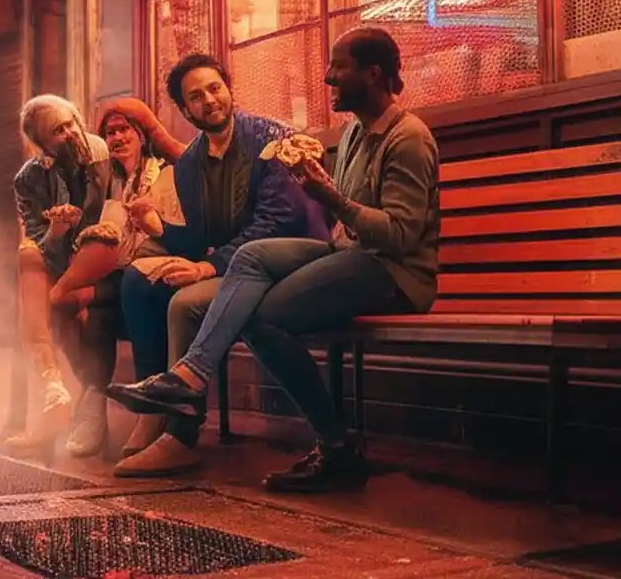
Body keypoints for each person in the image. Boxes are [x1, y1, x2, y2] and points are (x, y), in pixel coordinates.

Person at [107, 28, 440, 493]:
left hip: (392, 270)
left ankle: (333, 446)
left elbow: (401, 238)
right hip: (349, 252)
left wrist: (330, 199)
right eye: (194, 97)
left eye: (339, 68)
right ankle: (191, 376)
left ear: (373, 74)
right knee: (248, 259)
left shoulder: (407, 137)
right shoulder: (353, 133)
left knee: (258, 319)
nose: (327, 77)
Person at [107, 54, 328, 477]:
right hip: (237, 265)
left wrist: (207, 268)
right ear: (186, 110)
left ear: (228, 88)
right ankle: (154, 410)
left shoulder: (271, 139)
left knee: (185, 303)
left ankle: (180, 434)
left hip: (290, 262)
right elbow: (201, 236)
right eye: (196, 96)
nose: (209, 100)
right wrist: (162, 231)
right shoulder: (191, 162)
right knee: (141, 278)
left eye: (214, 88)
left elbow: (279, 223)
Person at [45, 98, 186, 456]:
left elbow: (181, 232)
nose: (118, 137)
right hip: (114, 282)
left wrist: (152, 222)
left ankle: (110, 404)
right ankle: (93, 403)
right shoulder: (105, 183)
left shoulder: (166, 173)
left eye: (125, 129)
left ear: (141, 134)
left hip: (153, 278)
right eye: (110, 132)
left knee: (72, 300)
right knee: (93, 318)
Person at [7, 94, 111, 454]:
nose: (69, 134)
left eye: (71, 124)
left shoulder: (98, 151)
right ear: (42, 145)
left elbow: (108, 218)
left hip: (104, 256)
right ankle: (55, 396)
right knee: (28, 258)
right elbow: (40, 241)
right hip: (61, 260)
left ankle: (57, 399)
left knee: (53, 303)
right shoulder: (30, 178)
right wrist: (57, 231)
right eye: (57, 131)